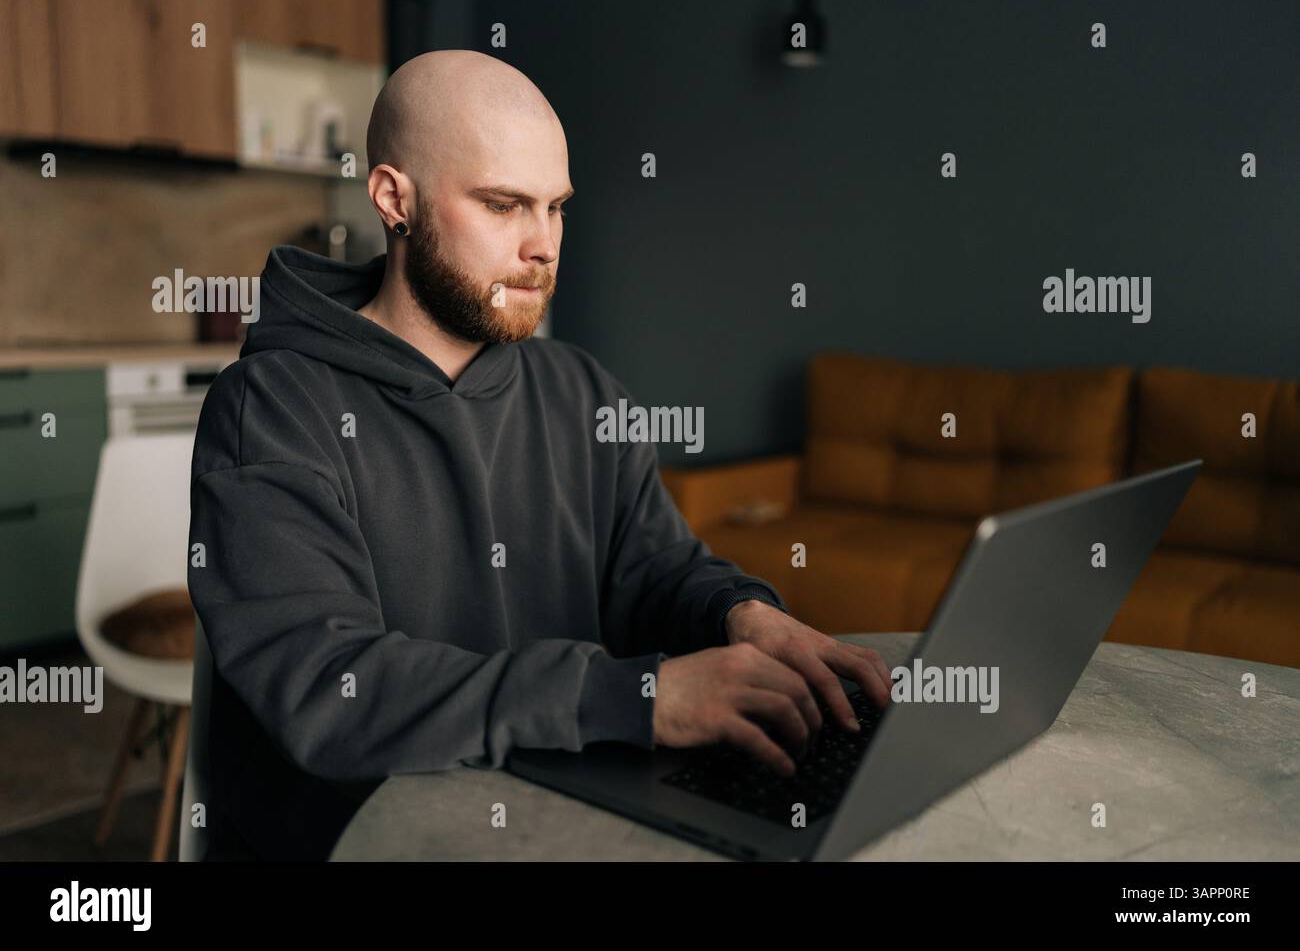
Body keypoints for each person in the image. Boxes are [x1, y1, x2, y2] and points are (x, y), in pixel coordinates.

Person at [188, 49, 892, 861]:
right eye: (503, 205)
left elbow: (654, 569)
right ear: (394, 200)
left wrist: (740, 612)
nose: (544, 246)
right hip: (371, 838)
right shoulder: (272, 410)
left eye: (556, 208)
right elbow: (330, 688)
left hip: (564, 809)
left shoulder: (580, 390)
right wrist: (633, 698)